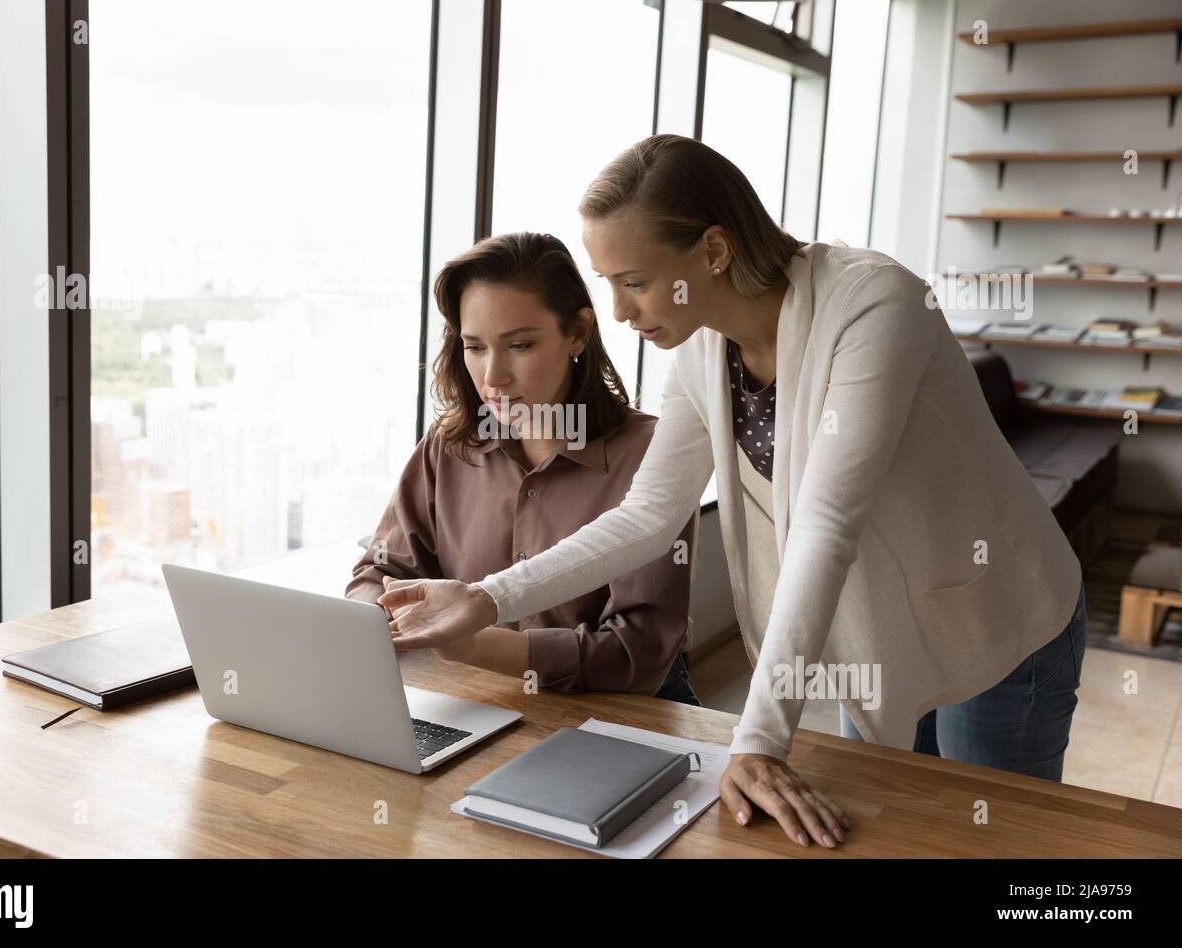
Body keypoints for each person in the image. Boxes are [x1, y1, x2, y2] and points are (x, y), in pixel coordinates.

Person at [377, 135, 1086, 850]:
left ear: (713, 251)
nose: (618, 312)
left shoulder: (875, 305)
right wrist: (486, 598)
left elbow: (826, 523)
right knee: (891, 833)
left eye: (634, 281)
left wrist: (758, 742)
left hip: (993, 615)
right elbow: (650, 514)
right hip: (877, 624)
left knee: (1000, 845)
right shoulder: (701, 344)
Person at [346, 231, 699, 702]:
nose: (493, 378)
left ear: (577, 332)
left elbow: (636, 655)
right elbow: (379, 570)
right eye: (474, 347)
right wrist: (384, 615)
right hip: (474, 703)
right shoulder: (450, 445)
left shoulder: (652, 454)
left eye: (520, 346)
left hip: (620, 718)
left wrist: (472, 644)